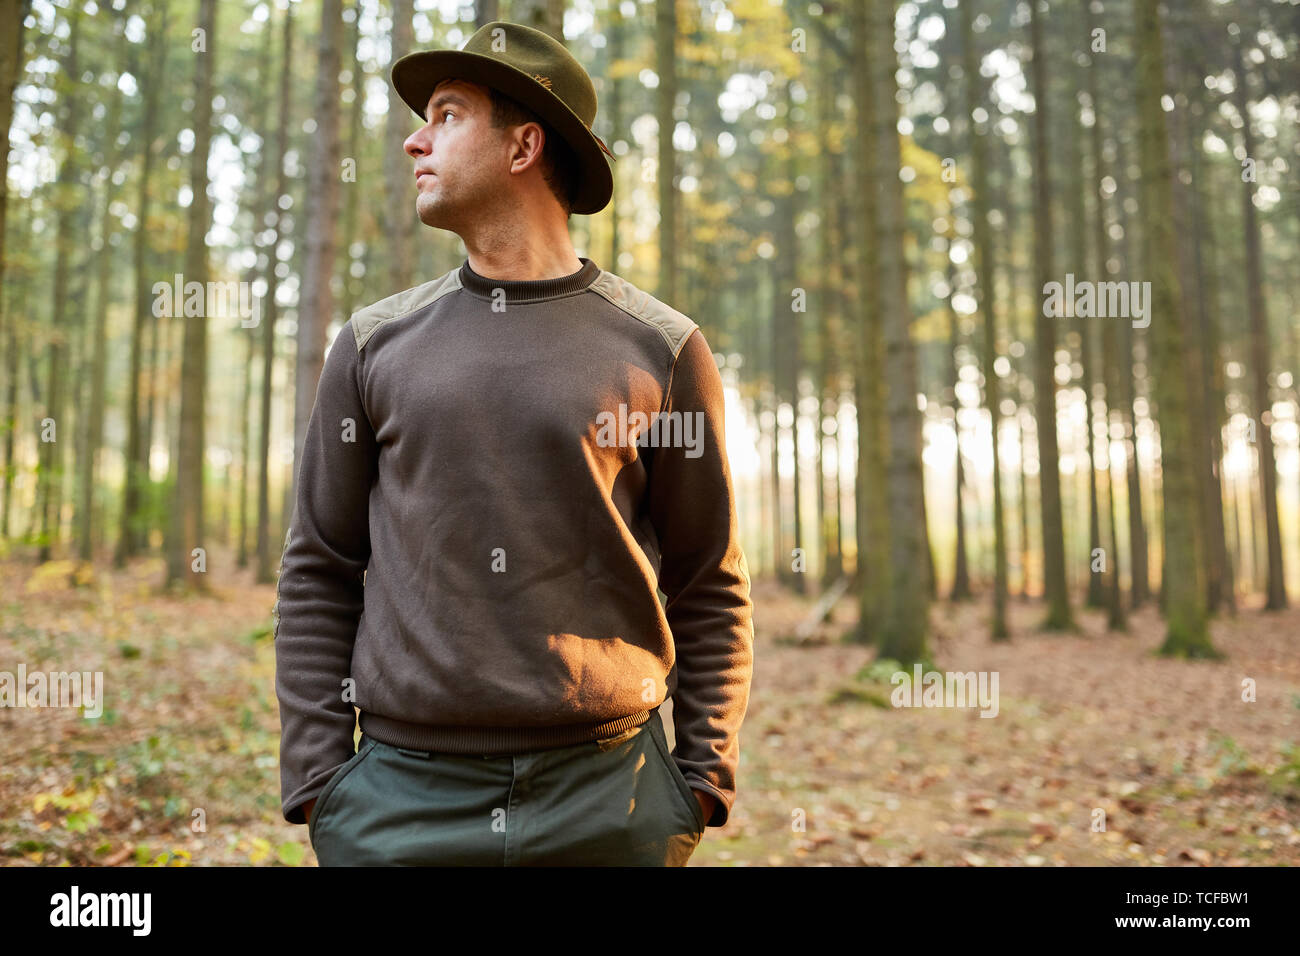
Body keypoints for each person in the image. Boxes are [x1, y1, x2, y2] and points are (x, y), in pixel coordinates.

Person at [273, 19, 753, 866]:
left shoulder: (663, 348)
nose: (415, 140)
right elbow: (318, 566)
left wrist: (700, 777)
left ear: (524, 144)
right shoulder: (372, 344)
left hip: (611, 799)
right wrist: (320, 785)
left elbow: (708, 577)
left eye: (448, 115)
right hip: (397, 803)